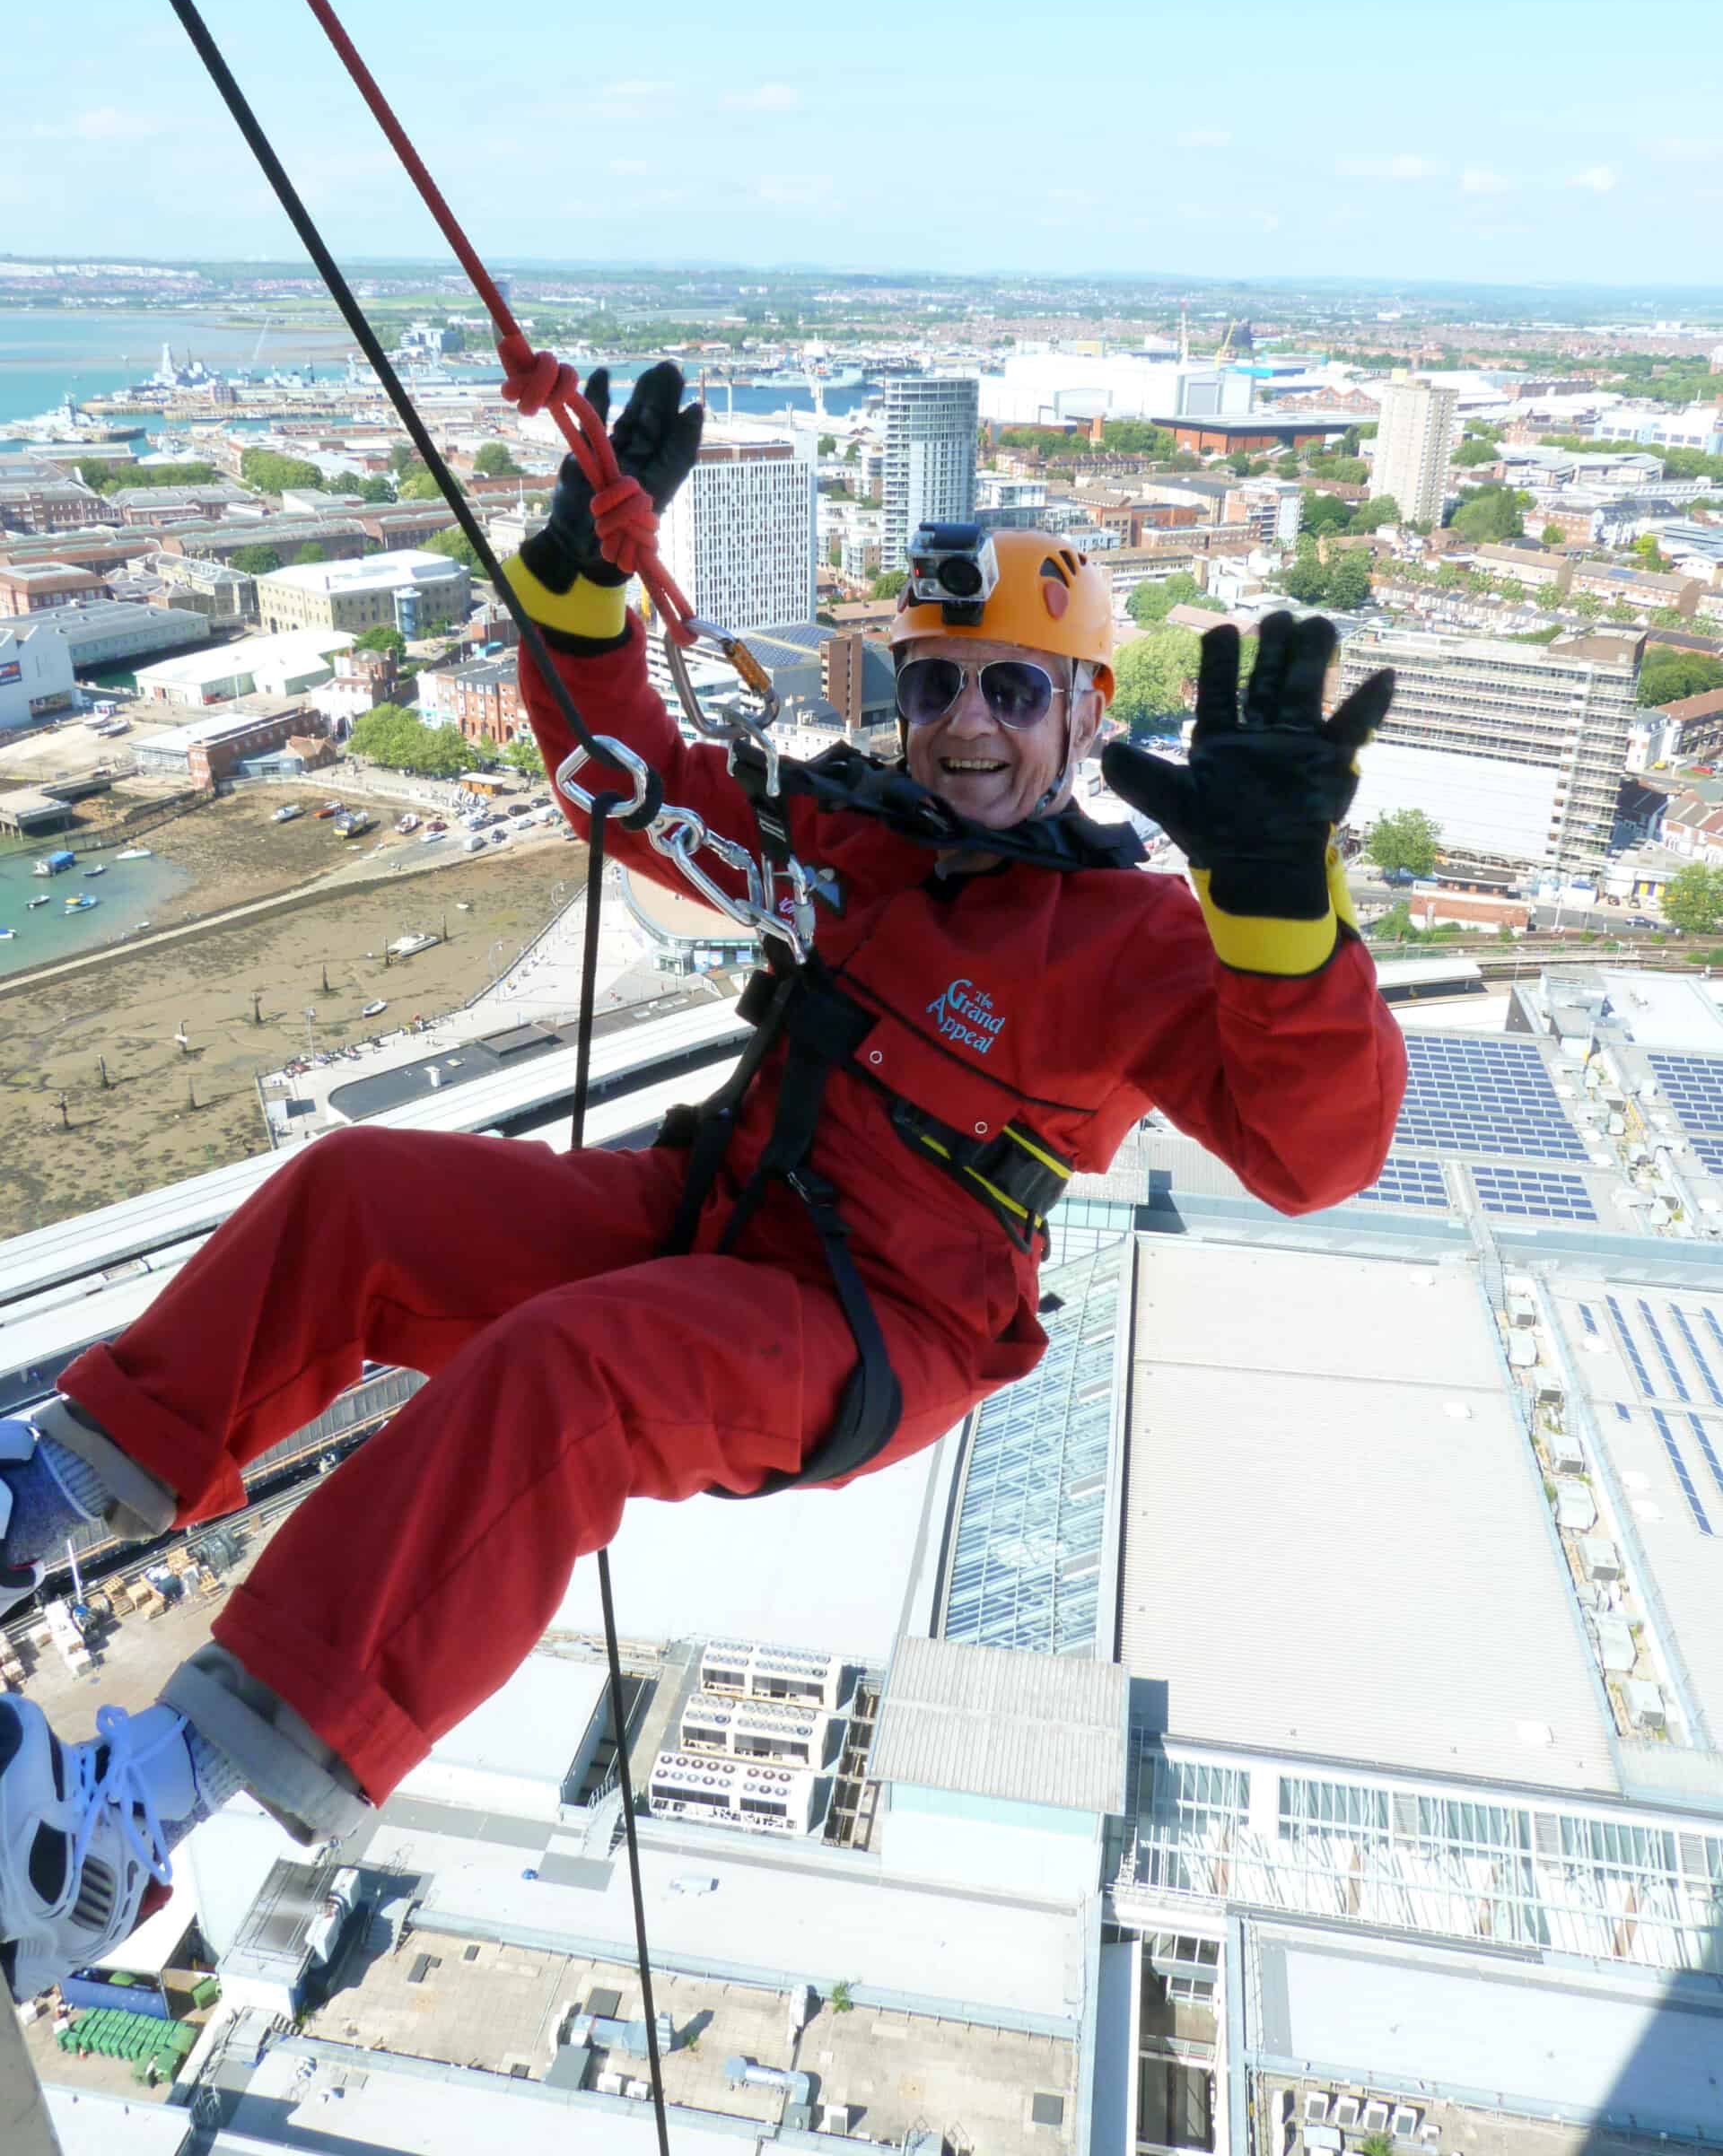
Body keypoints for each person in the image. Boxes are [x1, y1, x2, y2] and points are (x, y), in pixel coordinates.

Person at [0, 364, 1404, 2001]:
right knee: (359, 1193)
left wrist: (1281, 905)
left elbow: (1315, 1157)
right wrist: (585, 577)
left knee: (570, 1379)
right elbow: (625, 774)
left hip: (879, 1321)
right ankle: (44, 1499)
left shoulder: (1141, 945)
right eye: (940, 683)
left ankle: (135, 1823)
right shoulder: (849, 842)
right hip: (719, 1216)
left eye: (1015, 694)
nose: (965, 724)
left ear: (1086, 720)